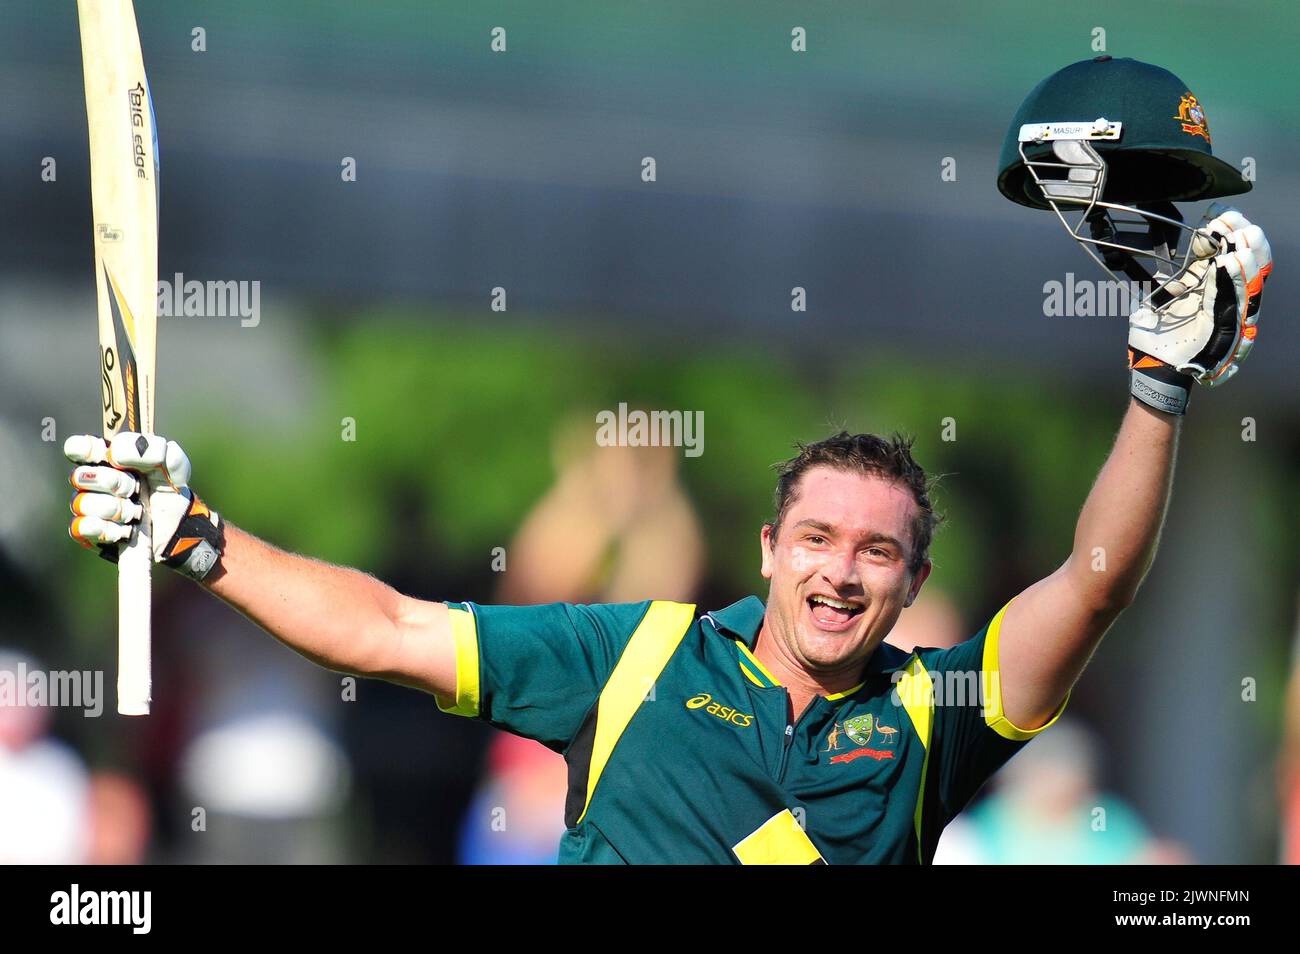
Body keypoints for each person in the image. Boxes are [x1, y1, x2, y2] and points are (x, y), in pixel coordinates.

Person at [63, 61, 1273, 861]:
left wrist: (1155, 392)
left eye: (876, 552)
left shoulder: (934, 715)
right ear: (766, 548)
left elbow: (1097, 582)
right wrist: (196, 538)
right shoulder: (635, 656)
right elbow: (383, 627)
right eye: (816, 538)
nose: (841, 573)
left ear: (910, 587)